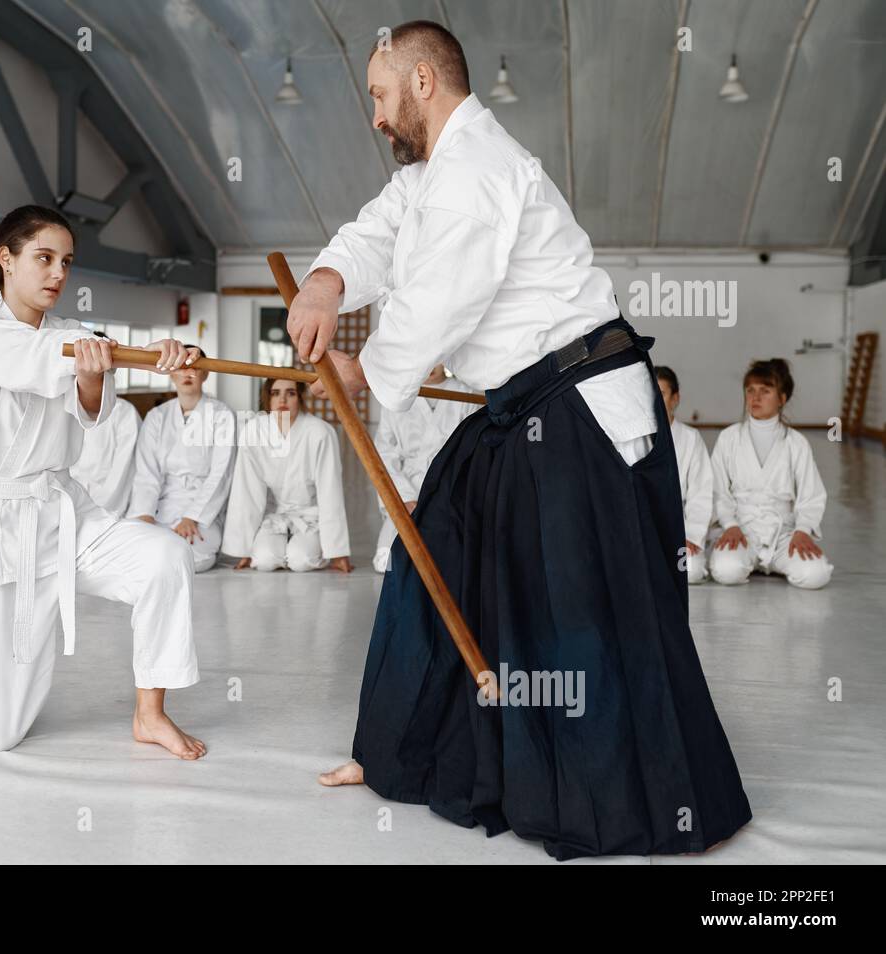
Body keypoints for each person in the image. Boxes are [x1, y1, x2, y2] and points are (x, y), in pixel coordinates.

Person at [287, 21, 750, 859]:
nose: (375, 117)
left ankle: (613, 799)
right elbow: (378, 232)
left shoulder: (479, 170)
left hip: (577, 406)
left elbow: (437, 302)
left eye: (381, 96)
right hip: (520, 405)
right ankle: (404, 751)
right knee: (435, 556)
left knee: (577, 610)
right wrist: (324, 282)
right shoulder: (434, 173)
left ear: (423, 81)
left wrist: (367, 369)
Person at [0, 205, 206, 759]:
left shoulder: (72, 335)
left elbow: (90, 409)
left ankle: (150, 714)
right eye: (43, 258)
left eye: (66, 261)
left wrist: (153, 355)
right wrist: (121, 354)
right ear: (6, 259)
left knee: (165, 558)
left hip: (65, 512)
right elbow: (29, 358)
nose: (58, 273)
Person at [708, 358, 832, 589]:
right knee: (727, 572)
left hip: (783, 534)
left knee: (816, 574)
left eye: (765, 391)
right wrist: (729, 524)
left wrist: (803, 530)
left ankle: (778, 559)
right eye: (750, 390)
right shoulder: (729, 438)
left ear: (782, 399)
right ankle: (743, 558)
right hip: (741, 530)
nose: (755, 397)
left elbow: (811, 494)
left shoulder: (796, 443)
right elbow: (717, 489)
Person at [220, 378, 351, 573]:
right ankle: (272, 545)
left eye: (290, 393)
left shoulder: (320, 432)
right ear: (267, 398)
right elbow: (246, 491)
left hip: (310, 516)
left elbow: (330, 492)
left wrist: (337, 550)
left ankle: (311, 546)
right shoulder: (254, 430)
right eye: (275, 393)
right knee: (265, 560)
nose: (282, 400)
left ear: (300, 397)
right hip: (275, 515)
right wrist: (244, 548)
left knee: (302, 560)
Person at [128, 351, 237, 572]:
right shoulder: (157, 416)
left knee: (192, 555)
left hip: (202, 508)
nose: (188, 373)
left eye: (195, 367)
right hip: (163, 505)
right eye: (181, 367)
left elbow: (221, 473)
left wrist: (192, 517)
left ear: (205, 374)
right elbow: (147, 471)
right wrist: (145, 514)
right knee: (136, 544)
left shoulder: (221, 414)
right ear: (171, 374)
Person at [372, 364, 476, 572]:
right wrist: (404, 498)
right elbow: (384, 455)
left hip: (449, 490)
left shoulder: (467, 394)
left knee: (442, 563)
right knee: (387, 562)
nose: (430, 365)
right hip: (405, 491)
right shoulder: (397, 395)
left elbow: (471, 454)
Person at [69, 343, 141, 518]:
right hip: (67, 497)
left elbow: (123, 468)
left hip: (106, 504)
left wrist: (100, 505)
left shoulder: (124, 412)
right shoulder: (65, 406)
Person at [656, 366, 712, 584]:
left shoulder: (691, 438)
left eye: (661, 394)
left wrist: (691, 535)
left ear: (675, 398)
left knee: (690, 570)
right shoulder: (635, 436)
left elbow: (701, 492)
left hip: (680, 527)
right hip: (643, 528)